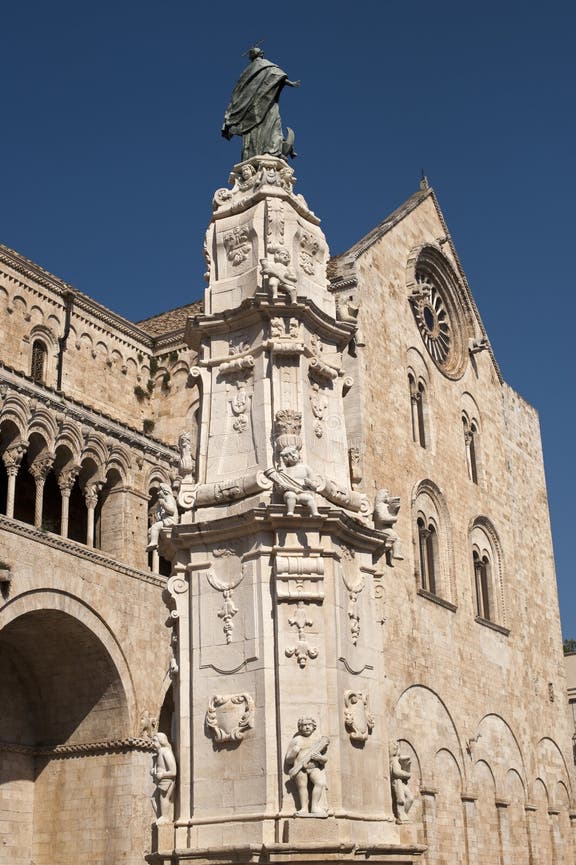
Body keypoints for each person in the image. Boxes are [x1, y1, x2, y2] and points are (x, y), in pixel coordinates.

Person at [222, 46, 300, 161]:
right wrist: (290, 83)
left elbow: (276, 75)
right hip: (256, 105)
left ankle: (274, 150)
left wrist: (290, 83)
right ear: (259, 54)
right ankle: (268, 151)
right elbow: (277, 75)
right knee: (266, 125)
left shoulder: (254, 69)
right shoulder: (261, 66)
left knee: (273, 124)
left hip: (265, 101)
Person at [285, 718, 329, 816]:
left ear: (314, 727)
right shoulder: (296, 740)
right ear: (300, 727)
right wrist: (294, 752)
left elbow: (325, 759)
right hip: (299, 768)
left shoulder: (318, 741)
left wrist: (320, 758)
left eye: (309, 725)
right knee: (302, 787)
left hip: (314, 767)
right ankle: (304, 808)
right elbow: (288, 760)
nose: (307, 727)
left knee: (320, 783)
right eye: (304, 725)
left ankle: (314, 806)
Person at [151, 733, 177, 824]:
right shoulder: (159, 753)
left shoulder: (165, 751)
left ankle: (165, 817)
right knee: (154, 799)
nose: (152, 743)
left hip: (166, 780)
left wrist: (162, 774)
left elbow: (173, 771)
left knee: (164, 798)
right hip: (161, 781)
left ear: (161, 741)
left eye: (154, 741)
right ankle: (161, 816)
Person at [147, 483, 178, 550]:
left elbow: (171, 510)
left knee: (155, 527)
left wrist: (163, 504)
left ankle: (154, 542)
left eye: (159, 491)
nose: (157, 493)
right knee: (151, 530)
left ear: (165, 491)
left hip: (170, 520)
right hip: (166, 520)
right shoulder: (164, 499)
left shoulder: (169, 498)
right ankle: (155, 544)